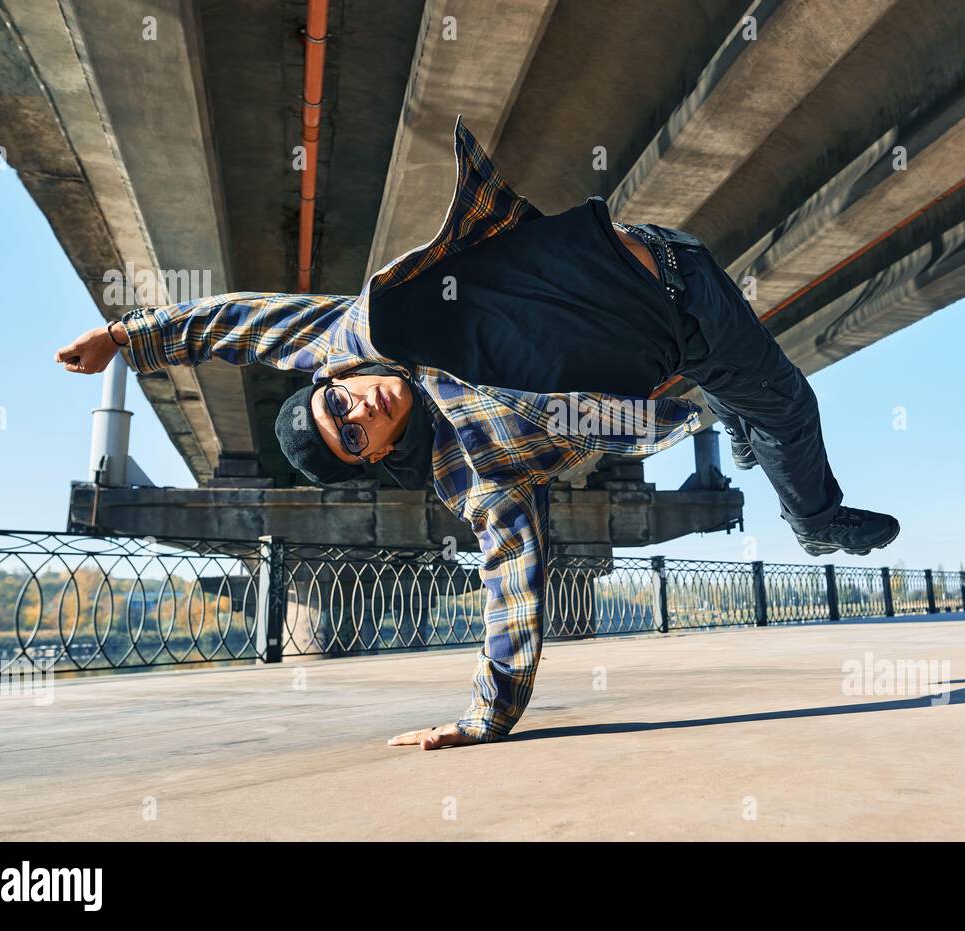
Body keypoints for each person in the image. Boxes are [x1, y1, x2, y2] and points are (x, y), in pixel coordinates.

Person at [55, 114, 898, 749]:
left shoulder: (359, 333)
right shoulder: (474, 471)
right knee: (789, 403)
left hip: (661, 247)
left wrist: (130, 335)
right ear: (380, 459)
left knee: (749, 411)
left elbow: (238, 324)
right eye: (353, 437)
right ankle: (817, 520)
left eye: (340, 405)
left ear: (335, 379)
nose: (359, 412)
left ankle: (740, 427)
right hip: (696, 327)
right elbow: (513, 579)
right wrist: (484, 716)